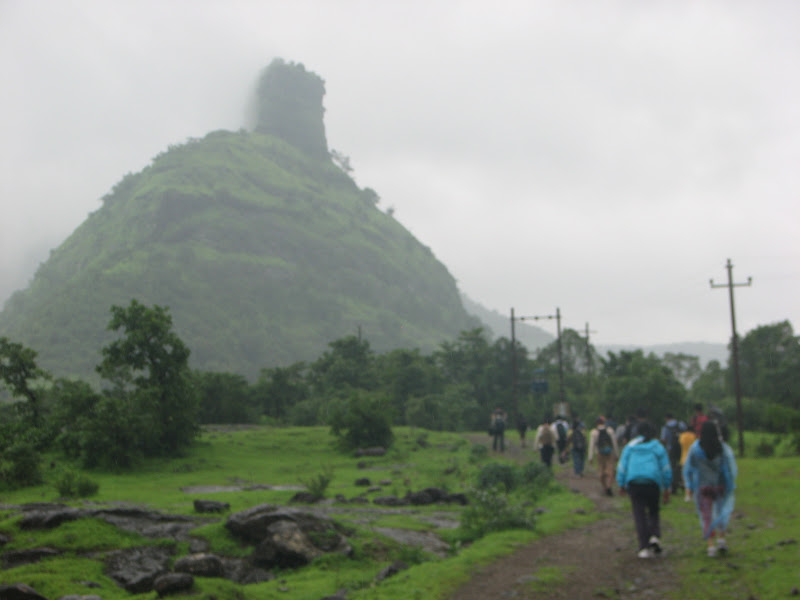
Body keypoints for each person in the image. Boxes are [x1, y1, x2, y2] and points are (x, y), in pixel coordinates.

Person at [616, 421, 672, 559]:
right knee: (653, 509)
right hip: (653, 481)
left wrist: (621, 484)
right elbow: (666, 468)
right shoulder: (657, 446)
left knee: (639, 513)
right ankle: (654, 535)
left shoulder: (630, 446)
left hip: (634, 481)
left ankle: (643, 547)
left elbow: (622, 466)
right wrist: (667, 487)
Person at [683, 420, 737, 557]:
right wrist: (730, 484)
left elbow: (689, 468)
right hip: (720, 485)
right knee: (721, 512)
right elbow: (730, 468)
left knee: (706, 516)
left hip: (703, 486)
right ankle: (722, 539)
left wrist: (688, 487)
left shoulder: (696, 449)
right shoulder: (722, 448)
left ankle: (711, 546)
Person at [589, 416, 619, 496]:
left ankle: (605, 487)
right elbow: (614, 443)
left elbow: (591, 445)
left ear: (596, 423)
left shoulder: (594, 432)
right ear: (604, 422)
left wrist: (590, 457)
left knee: (601, 470)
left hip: (599, 453)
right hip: (610, 453)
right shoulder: (610, 430)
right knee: (610, 470)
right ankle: (609, 486)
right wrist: (616, 454)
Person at [660, 413, 687, 493]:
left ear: (666, 418)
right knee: (682, 466)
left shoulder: (665, 427)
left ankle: (673, 485)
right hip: (682, 448)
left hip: (671, 449)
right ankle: (682, 482)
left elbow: (663, 439)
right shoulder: (681, 424)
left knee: (672, 467)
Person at [678, 424, 697, 501]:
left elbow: (680, 443)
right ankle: (693, 493)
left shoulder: (682, 436)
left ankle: (687, 494)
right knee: (693, 476)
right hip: (693, 458)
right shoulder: (694, 436)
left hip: (684, 458)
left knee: (686, 477)